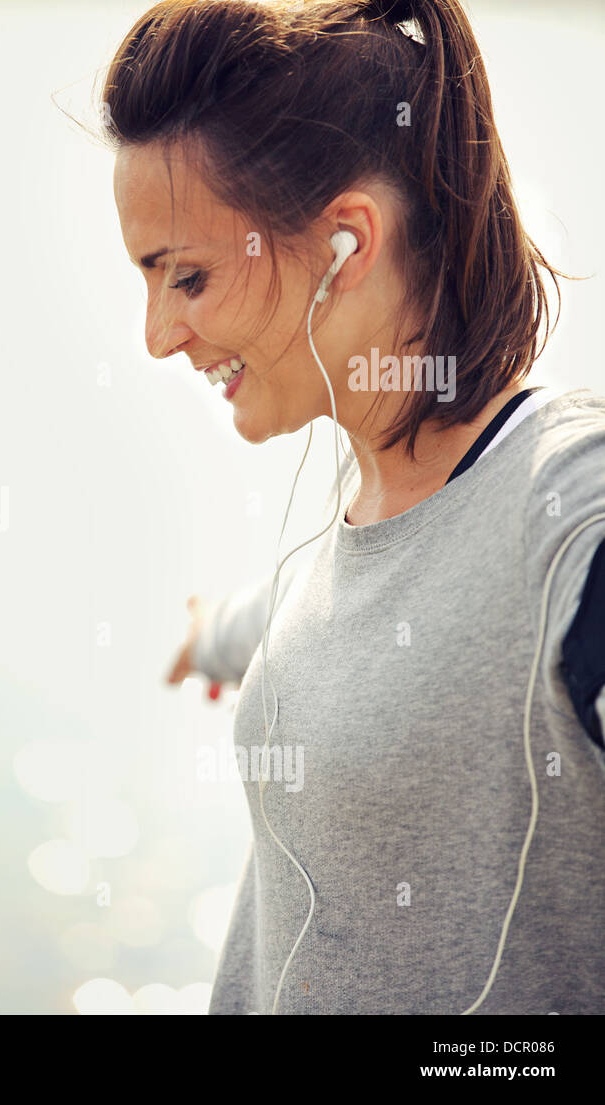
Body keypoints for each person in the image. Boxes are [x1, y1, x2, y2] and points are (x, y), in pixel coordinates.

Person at [101, 0, 605, 1013]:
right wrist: (213, 637)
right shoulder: (363, 500)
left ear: (344, 244)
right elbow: (359, 611)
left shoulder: (567, 510)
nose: (159, 335)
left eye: (186, 277)